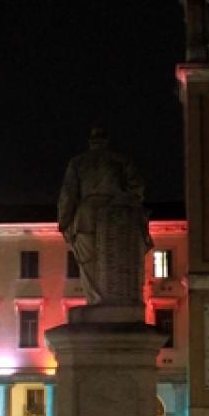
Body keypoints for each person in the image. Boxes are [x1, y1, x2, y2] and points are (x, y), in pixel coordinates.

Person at [57, 127, 152, 306]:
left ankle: (96, 303)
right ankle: (115, 303)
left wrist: (64, 222)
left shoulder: (78, 162)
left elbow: (68, 195)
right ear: (107, 140)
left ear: (90, 141)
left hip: (87, 215)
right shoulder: (122, 160)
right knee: (116, 259)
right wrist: (121, 199)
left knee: (88, 262)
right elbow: (137, 188)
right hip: (117, 216)